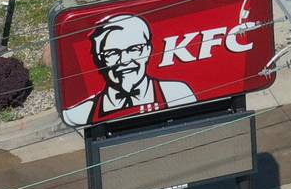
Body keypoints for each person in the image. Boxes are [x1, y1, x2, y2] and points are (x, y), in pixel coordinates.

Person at [61, 13, 195, 126]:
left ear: (148, 51)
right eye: (112, 53)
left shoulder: (178, 93)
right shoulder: (81, 112)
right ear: (99, 59)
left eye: (134, 49)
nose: (125, 61)